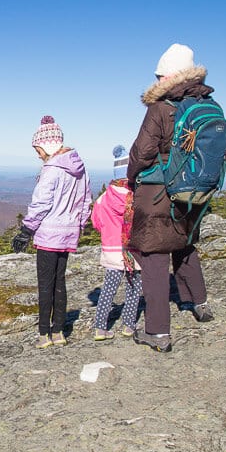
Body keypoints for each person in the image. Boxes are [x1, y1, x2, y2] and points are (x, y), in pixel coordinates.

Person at [127, 43, 216, 353]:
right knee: (185, 245)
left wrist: (131, 178)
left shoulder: (162, 107)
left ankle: (157, 332)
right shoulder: (206, 103)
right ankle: (201, 305)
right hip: (194, 190)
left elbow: (143, 152)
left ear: (173, 75)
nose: (157, 79)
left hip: (159, 192)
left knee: (154, 255)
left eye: (160, 74)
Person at [13, 116, 92, 349]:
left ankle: (44, 335)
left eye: (37, 149)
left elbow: (41, 203)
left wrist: (26, 230)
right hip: (68, 234)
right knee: (60, 283)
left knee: (45, 285)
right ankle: (59, 331)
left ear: (46, 146)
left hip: (48, 234)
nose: (37, 154)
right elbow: (85, 201)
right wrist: (79, 227)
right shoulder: (80, 168)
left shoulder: (51, 169)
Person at [90, 145, 142, 340]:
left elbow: (97, 222)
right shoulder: (139, 197)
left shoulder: (104, 198)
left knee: (108, 290)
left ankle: (100, 328)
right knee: (134, 289)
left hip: (111, 250)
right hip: (134, 250)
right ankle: (129, 325)